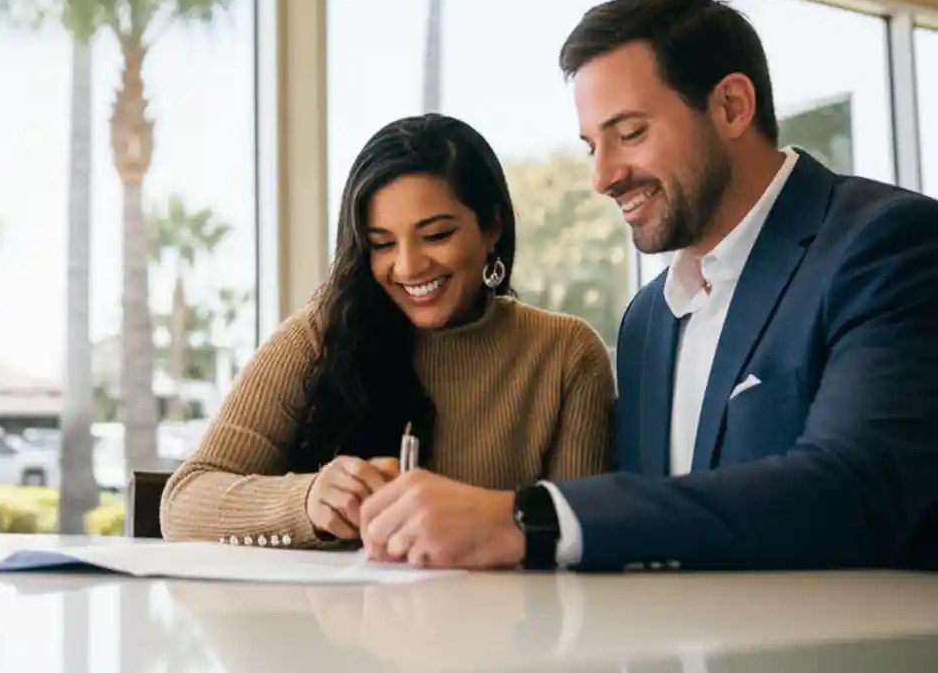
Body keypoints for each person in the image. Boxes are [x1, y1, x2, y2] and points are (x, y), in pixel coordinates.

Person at [359, 0, 938, 571]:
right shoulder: (646, 321)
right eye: (592, 146)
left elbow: (854, 492)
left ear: (732, 106)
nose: (603, 177)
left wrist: (529, 519)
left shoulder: (888, 245)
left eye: (630, 134)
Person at [160, 113, 616, 548]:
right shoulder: (320, 336)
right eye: (381, 244)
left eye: (437, 235)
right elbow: (183, 504)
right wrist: (307, 502)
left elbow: (578, 540)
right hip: (328, 626)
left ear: (492, 226)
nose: (408, 266)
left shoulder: (566, 355)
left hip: (498, 626)